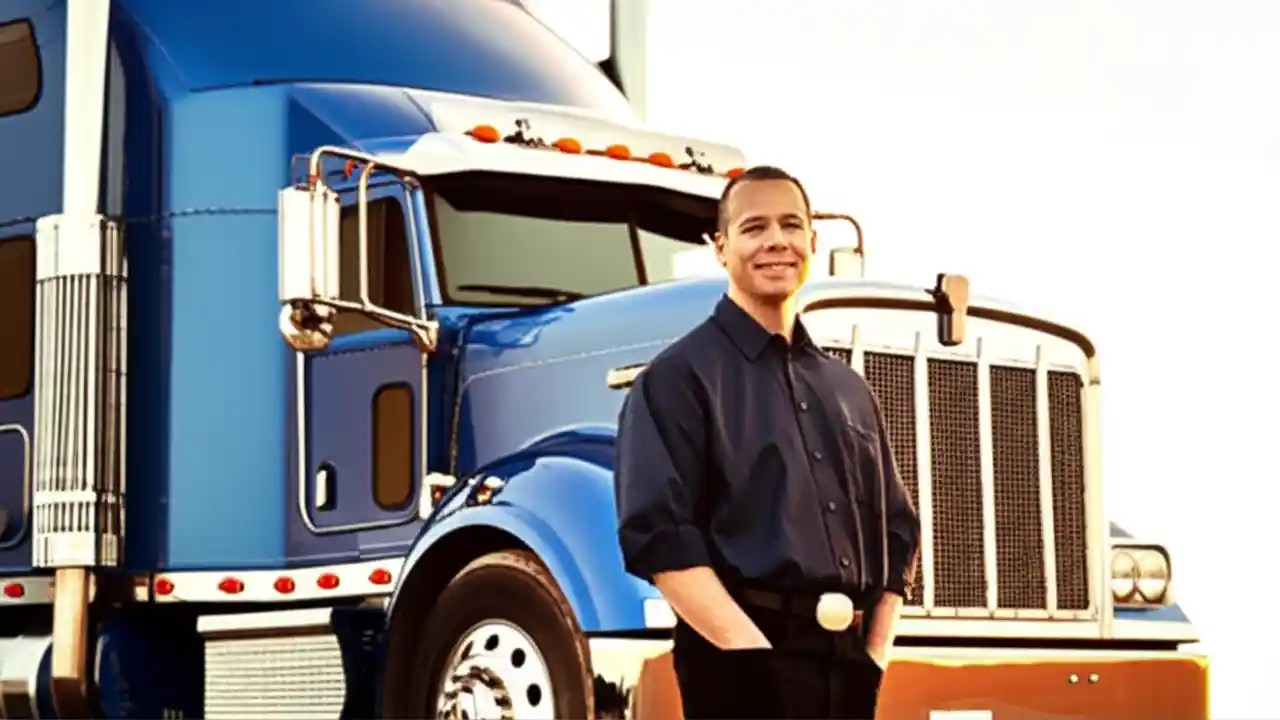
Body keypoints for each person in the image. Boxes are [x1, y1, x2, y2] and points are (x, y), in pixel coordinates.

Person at [613, 165, 921, 719]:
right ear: (721, 247)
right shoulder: (677, 378)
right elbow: (659, 535)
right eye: (754, 228)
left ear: (812, 241)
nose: (776, 241)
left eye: (791, 225)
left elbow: (897, 531)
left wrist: (873, 653)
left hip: (846, 665)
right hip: (740, 666)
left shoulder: (849, 388)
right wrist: (748, 654)